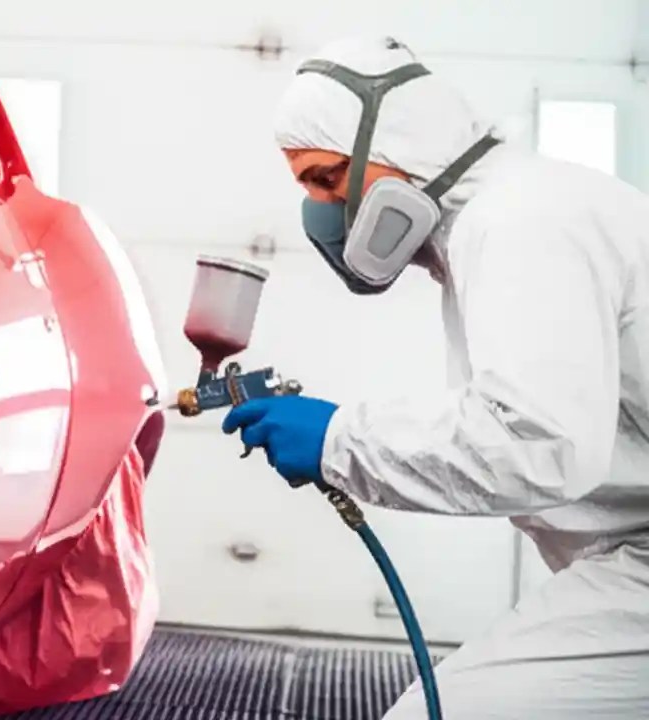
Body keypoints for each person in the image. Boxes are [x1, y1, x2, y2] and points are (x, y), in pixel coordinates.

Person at [222, 36, 649, 718]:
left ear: (398, 148)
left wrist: (338, 440)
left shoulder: (522, 221)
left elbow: (539, 444)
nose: (322, 215)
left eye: (327, 179)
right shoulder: (512, 214)